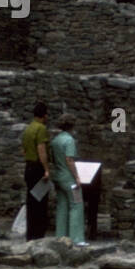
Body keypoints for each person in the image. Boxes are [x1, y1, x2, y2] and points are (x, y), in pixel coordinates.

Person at [49, 114, 87, 244]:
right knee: (77, 204)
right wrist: (77, 176)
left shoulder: (55, 140)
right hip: (69, 177)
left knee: (62, 205)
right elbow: (69, 159)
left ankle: (60, 236)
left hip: (58, 176)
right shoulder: (69, 140)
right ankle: (76, 238)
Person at [21, 102, 51, 240]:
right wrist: (46, 169)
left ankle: (30, 234)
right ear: (44, 115)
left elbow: (24, 150)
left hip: (28, 166)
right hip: (37, 167)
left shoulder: (28, 129)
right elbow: (41, 150)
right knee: (40, 203)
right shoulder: (41, 129)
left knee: (31, 202)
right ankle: (38, 235)